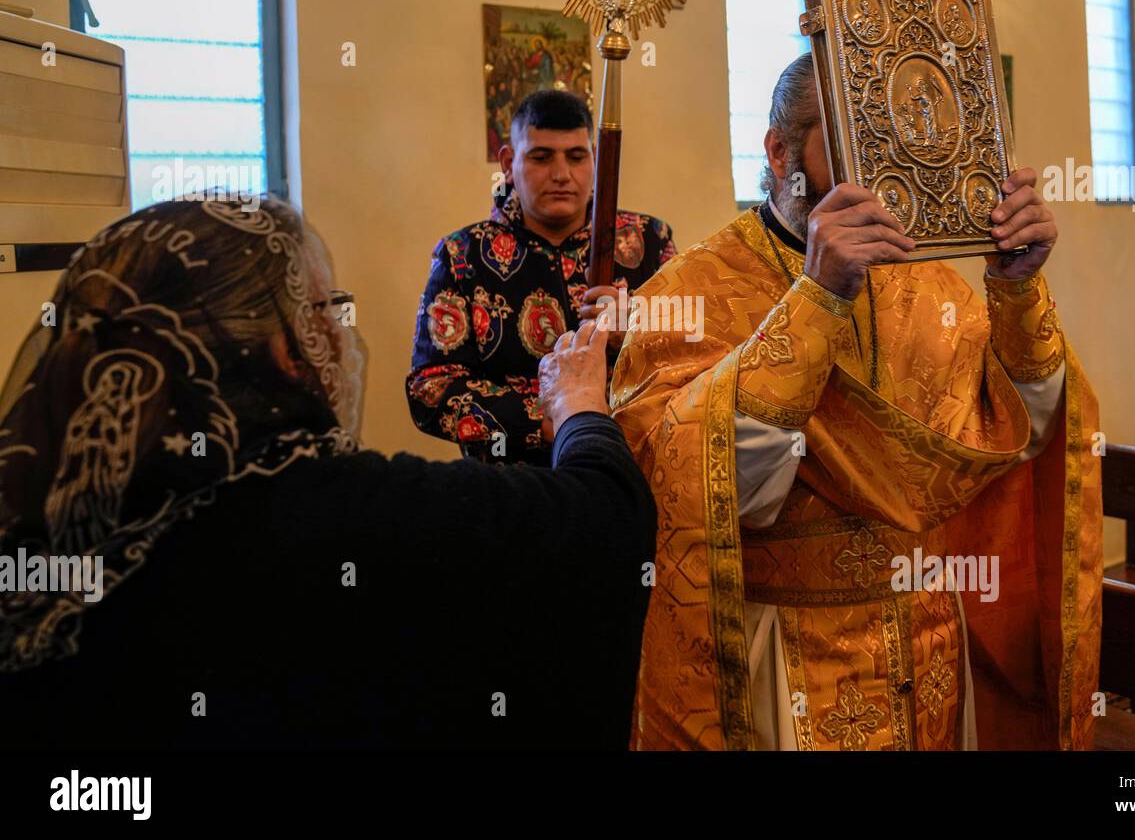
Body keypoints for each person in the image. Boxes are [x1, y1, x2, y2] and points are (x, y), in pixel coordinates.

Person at [0, 194, 655, 749]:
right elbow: (605, 526)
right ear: (281, 346)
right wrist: (577, 405)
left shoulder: (52, 501)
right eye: (323, 309)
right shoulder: (344, 508)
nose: (342, 335)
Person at [610, 53, 1103, 751]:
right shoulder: (688, 294)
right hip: (782, 651)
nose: (874, 178)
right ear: (781, 153)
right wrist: (818, 298)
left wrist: (1017, 289)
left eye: (889, 150)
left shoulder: (932, 284)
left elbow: (1026, 436)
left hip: (931, 645)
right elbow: (706, 490)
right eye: (849, 148)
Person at [407, 88, 675, 466]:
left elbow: (699, 345)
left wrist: (635, 328)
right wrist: (552, 416)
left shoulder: (648, 239)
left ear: (596, 159)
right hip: (513, 484)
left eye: (576, 156)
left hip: (634, 471)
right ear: (508, 161)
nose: (562, 174)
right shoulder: (462, 255)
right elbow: (431, 387)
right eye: (541, 157)